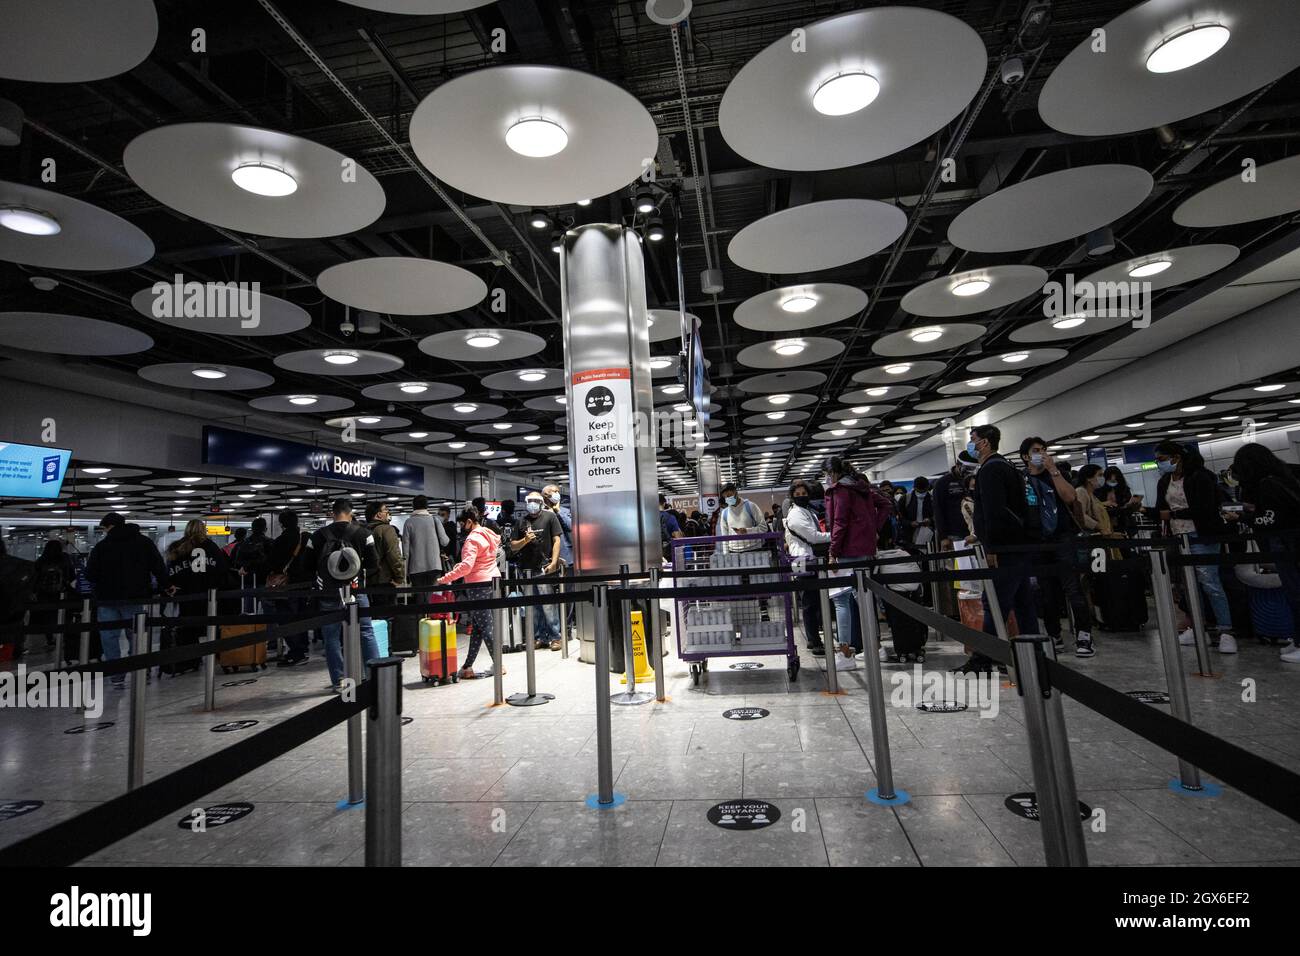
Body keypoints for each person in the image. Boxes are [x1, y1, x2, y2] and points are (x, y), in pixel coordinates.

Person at [959, 425, 1040, 674]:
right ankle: (1033, 651)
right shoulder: (1006, 466)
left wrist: (991, 546)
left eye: (973, 440)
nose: (970, 445)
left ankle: (984, 656)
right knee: (1021, 600)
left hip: (1004, 546)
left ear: (984, 443)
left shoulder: (991, 470)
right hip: (1017, 543)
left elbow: (994, 512)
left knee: (995, 601)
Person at [1155, 439, 1236, 654]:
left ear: (1176, 457)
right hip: (1177, 536)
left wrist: (1174, 514)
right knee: (1188, 586)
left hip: (1201, 535)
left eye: (1161, 459)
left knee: (1210, 582)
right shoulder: (1164, 481)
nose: (1158, 463)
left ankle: (1226, 630)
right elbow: (1160, 508)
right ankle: (1198, 627)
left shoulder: (1200, 477)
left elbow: (1205, 508)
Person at [1020, 437, 1095, 657]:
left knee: (1073, 588)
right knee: (1046, 592)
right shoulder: (1021, 481)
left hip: (1063, 537)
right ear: (1025, 456)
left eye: (1044, 450)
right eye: (1036, 450)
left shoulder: (1055, 475)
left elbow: (1070, 497)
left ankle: (1084, 635)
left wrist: (1053, 470)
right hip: (1038, 542)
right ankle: (1054, 634)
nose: (1041, 453)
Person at [1229, 443, 1300, 662]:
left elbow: (1271, 519)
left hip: (1289, 542)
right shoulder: (1284, 477)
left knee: (1296, 591)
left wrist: (1243, 517)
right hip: (1291, 541)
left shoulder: (1266, 484)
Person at [822, 456, 893, 670]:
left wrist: (833, 551)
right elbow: (886, 504)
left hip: (846, 551)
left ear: (832, 473)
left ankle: (845, 655)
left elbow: (839, 522)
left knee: (841, 600)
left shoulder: (840, 490)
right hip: (864, 549)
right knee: (864, 599)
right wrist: (872, 530)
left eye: (826, 474)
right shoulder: (861, 488)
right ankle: (875, 648)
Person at [305, 498, 380, 691]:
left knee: (331, 636)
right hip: (356, 590)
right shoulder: (364, 533)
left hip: (329, 592)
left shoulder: (317, 536)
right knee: (366, 631)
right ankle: (374, 676)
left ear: (332, 513)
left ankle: (339, 681)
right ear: (351, 512)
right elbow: (374, 564)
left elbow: (305, 565)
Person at [86, 512, 167, 681]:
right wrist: (165, 585)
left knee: (109, 636)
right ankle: (137, 668)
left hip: (107, 598)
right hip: (135, 596)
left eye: (105, 528)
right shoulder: (144, 542)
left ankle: (116, 673)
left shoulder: (102, 546)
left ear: (111, 526)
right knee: (136, 633)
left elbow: (90, 574)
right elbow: (158, 566)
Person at [438, 506, 502, 680]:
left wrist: (445, 579)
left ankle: (499, 663)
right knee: (479, 627)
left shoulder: (472, 539)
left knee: (486, 627)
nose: (461, 527)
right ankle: (467, 667)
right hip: (493, 581)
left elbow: (467, 567)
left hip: (477, 585)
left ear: (468, 521)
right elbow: (482, 560)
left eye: (462, 523)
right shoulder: (488, 533)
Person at [164, 520, 230, 675]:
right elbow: (222, 570)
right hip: (209, 595)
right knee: (213, 625)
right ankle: (221, 655)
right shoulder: (211, 547)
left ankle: (190, 660)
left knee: (188, 628)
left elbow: (170, 571)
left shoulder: (177, 547)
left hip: (186, 595)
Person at [509, 490, 563, 649]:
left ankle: (555, 637)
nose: (532, 504)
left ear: (540, 502)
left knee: (547, 604)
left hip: (543, 567)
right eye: (529, 500)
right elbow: (513, 546)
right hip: (526, 568)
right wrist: (525, 540)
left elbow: (557, 540)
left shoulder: (550, 517)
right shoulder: (521, 522)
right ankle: (539, 637)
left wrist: (554, 561)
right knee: (532, 606)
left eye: (535, 500)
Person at [783, 477, 830, 656]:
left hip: (806, 558)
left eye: (804, 493)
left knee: (813, 600)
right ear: (792, 496)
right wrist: (833, 536)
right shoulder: (796, 514)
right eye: (798, 494)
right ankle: (814, 640)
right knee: (809, 602)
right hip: (801, 559)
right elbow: (812, 536)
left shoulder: (806, 511)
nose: (802, 496)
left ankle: (813, 638)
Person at [267, 510, 312, 666]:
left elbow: (272, 563)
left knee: (286, 619)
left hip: (286, 585)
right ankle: (304, 648)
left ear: (282, 523)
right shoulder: (305, 538)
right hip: (304, 584)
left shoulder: (281, 540)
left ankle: (296, 652)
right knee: (301, 616)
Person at [29, 539, 76, 657]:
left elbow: (34, 578)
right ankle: (64, 638)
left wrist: (34, 592)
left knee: (46, 617)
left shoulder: (41, 560)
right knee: (64, 616)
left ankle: (50, 639)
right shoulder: (65, 559)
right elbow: (72, 576)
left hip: (44, 595)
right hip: (61, 594)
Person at [404, 495, 450, 599]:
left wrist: (405, 572)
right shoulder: (435, 520)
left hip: (415, 568)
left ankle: (420, 615)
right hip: (434, 566)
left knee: (419, 599)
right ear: (426, 506)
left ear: (413, 506)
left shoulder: (408, 522)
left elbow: (405, 551)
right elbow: (445, 541)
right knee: (433, 597)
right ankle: (432, 615)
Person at [365, 500, 407, 613]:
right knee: (387, 616)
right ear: (379, 514)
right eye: (386, 510)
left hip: (367, 582)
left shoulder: (363, 530)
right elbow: (394, 554)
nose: (388, 513)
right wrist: (399, 577)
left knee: (372, 617)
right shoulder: (386, 529)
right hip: (385, 580)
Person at [717, 483, 765, 551]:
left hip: (754, 549)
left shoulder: (751, 506)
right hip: (734, 552)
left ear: (736, 492)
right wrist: (726, 555)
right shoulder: (725, 513)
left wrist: (747, 531)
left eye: (729, 495)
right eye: (725, 497)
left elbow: (763, 528)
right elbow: (725, 537)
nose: (728, 498)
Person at [1098, 466, 1143, 534]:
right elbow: (1095, 506)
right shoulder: (1099, 491)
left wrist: (1132, 505)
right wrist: (1104, 503)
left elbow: (1129, 510)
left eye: (1115, 480)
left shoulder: (1124, 490)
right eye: (1110, 480)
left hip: (1124, 523)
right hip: (1106, 523)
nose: (1112, 482)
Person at [899, 476, 936, 547]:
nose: (921, 493)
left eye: (924, 490)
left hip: (929, 534)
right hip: (909, 535)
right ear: (914, 487)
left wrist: (930, 520)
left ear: (928, 487)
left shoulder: (933, 499)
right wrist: (910, 523)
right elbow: (900, 518)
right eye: (919, 491)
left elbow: (938, 515)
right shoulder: (905, 499)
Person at [659, 493, 683, 561]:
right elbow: (678, 538)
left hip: (652, 554)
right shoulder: (671, 517)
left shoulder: (648, 518)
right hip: (667, 553)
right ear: (664, 503)